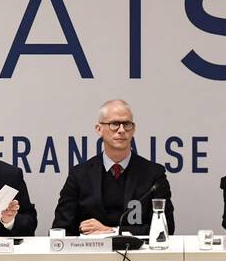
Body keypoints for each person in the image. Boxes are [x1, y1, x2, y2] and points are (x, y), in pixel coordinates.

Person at [53, 99, 175, 236]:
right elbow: (60, 229)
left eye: (127, 124)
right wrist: (84, 231)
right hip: (93, 255)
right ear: (99, 129)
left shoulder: (154, 175)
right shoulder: (79, 175)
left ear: (133, 129)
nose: (121, 130)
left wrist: (113, 231)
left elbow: (166, 228)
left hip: (139, 255)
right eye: (114, 124)